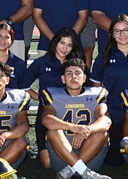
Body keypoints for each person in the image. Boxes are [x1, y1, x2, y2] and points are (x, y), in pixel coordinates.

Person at [41, 58, 112, 179]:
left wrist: (87, 130)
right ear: (63, 79)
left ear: (84, 78)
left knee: (102, 133)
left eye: (77, 73)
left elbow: (106, 121)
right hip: (62, 156)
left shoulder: (96, 94)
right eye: (69, 73)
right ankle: (85, 173)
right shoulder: (53, 95)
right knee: (53, 131)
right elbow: (46, 119)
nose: (73, 76)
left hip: (90, 156)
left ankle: (72, 169)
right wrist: (73, 127)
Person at [20, 27, 84, 166]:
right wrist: (41, 97)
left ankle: (74, 163)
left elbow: (87, 88)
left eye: (69, 45)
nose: (64, 48)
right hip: (47, 112)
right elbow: (23, 86)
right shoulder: (41, 62)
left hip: (71, 111)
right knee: (47, 163)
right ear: (55, 42)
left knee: (73, 152)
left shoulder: (76, 65)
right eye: (62, 43)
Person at [90, 14, 128, 165]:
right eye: (117, 31)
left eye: (126, 30)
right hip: (114, 111)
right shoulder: (104, 56)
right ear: (112, 34)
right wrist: (104, 107)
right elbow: (96, 84)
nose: (122, 34)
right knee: (114, 160)